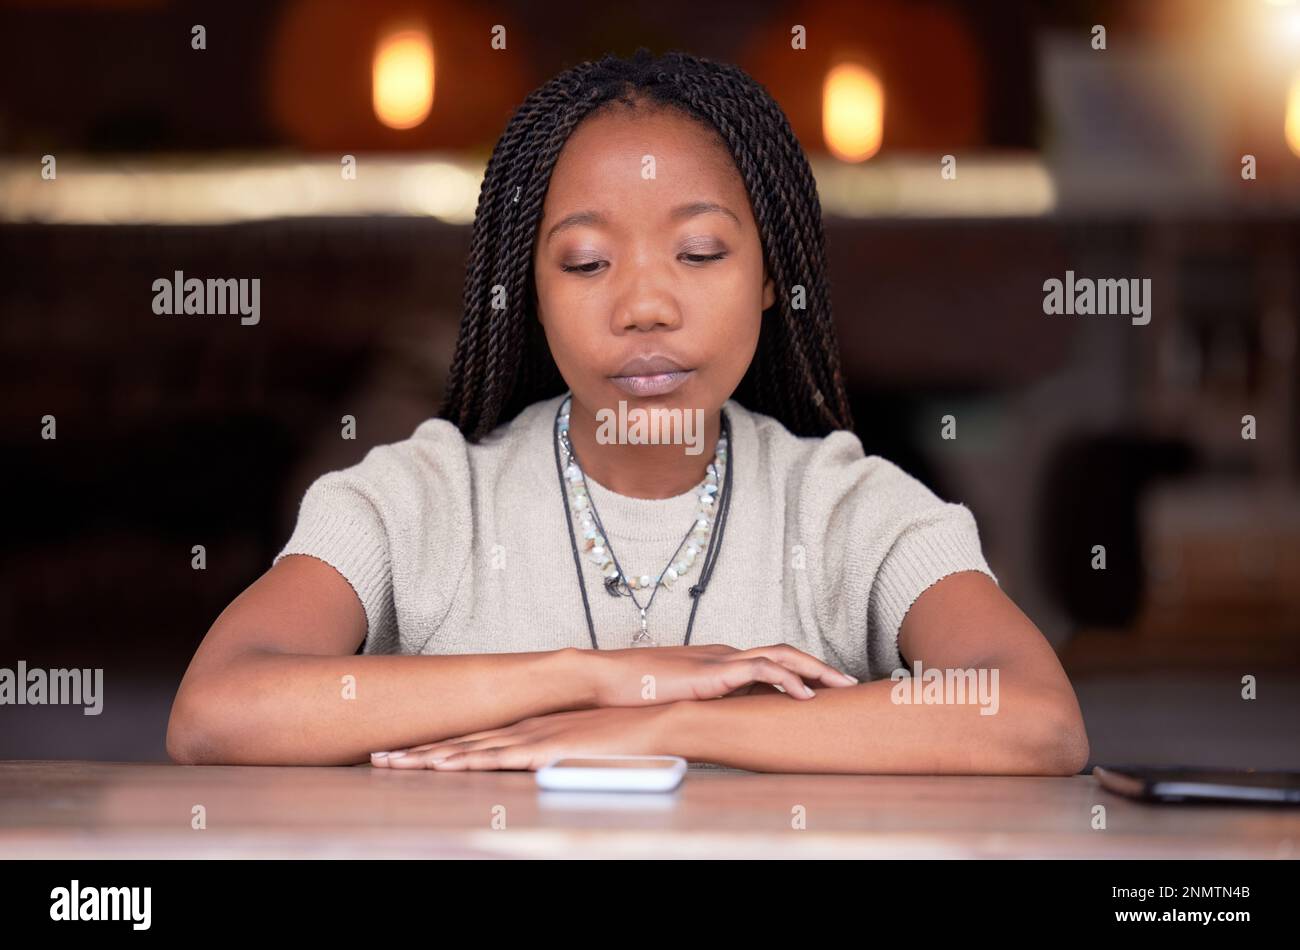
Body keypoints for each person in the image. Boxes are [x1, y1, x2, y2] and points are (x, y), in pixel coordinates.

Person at [167, 49, 1089, 775]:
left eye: (699, 252)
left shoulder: (850, 511)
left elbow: (1036, 718)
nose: (645, 306)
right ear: (530, 293)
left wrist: (670, 726)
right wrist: (592, 678)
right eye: (586, 262)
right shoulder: (419, 499)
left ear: (771, 277)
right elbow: (217, 710)